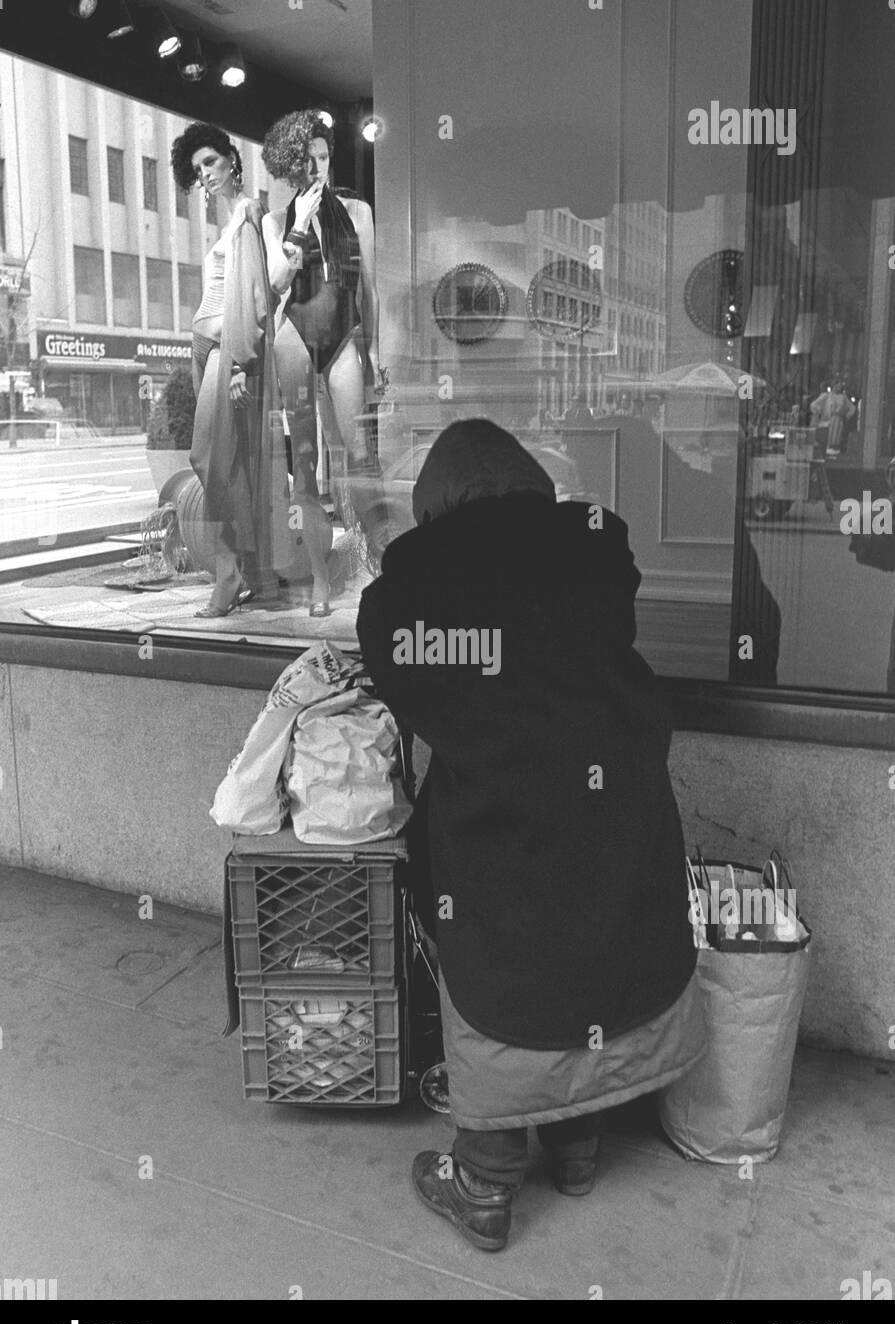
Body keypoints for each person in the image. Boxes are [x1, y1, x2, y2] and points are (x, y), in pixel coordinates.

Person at [356, 418, 707, 1252]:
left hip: (500, 827)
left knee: (504, 971)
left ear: (434, 505)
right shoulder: (593, 550)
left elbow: (401, 668)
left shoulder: (415, 588)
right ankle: (578, 1146)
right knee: (594, 952)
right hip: (618, 806)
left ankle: (482, 1180)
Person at [261, 111, 383, 616]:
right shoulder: (275, 220)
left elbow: (370, 286)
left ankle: (374, 562)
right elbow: (275, 283)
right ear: (291, 167)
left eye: (322, 157)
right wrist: (302, 225)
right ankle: (318, 579)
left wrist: (375, 348)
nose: (316, 168)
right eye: (305, 160)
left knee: (357, 452)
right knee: (305, 462)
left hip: (343, 335)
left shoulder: (357, 212)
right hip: (295, 335)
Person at [170, 123, 293, 617]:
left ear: (232, 159)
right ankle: (254, 572)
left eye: (211, 163)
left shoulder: (246, 214)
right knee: (234, 464)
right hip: (213, 353)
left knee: (211, 460)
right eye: (198, 169)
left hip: (229, 354)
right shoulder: (230, 222)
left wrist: (241, 363)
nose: (205, 175)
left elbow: (255, 295)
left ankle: (229, 574)